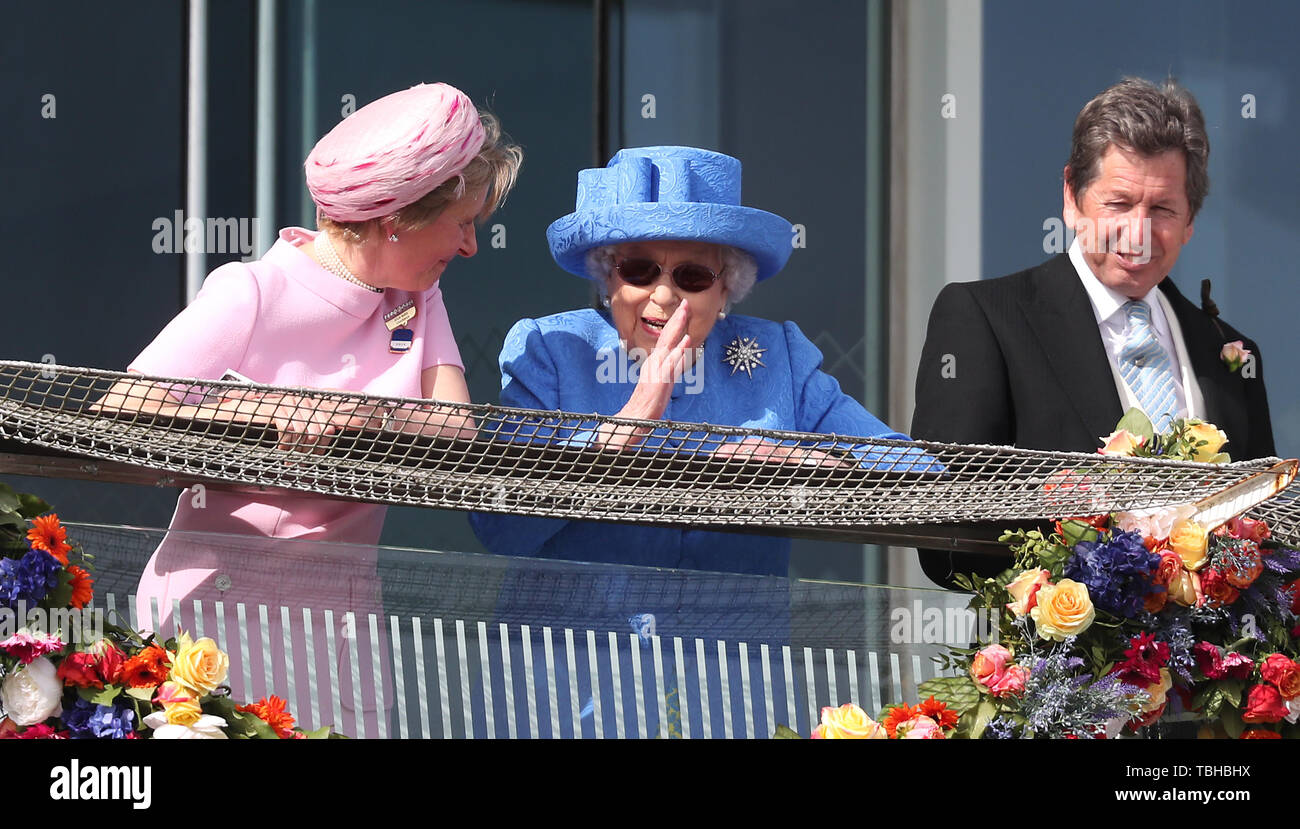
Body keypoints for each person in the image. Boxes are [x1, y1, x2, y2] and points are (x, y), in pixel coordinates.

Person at [103, 83, 521, 734]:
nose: (470, 246)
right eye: (463, 222)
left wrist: (363, 417)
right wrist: (264, 412)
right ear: (398, 218)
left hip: (339, 639)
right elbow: (121, 409)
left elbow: (456, 431)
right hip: (212, 626)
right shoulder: (253, 291)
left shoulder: (414, 298)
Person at [469, 145, 919, 578]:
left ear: (727, 290)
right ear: (608, 277)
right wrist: (628, 424)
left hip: (736, 655)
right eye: (638, 270)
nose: (664, 295)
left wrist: (798, 462)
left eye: (693, 276)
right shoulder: (553, 349)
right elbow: (500, 525)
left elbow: (918, 475)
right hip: (576, 652)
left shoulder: (779, 356)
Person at [911, 77, 1275, 586]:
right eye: (1119, 203)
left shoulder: (1231, 354)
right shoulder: (984, 317)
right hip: (1060, 659)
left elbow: (1266, 533)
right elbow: (944, 535)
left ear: (1191, 220)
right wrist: (1085, 539)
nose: (1139, 232)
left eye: (1163, 209)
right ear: (1072, 198)